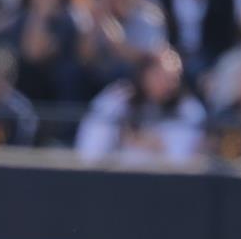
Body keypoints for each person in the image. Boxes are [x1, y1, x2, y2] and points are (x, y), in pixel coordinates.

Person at [74, 45, 205, 166]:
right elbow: (90, 149)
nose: (167, 84)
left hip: (168, 182)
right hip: (118, 178)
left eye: (173, 78)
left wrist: (158, 141)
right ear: (144, 74)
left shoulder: (187, 106)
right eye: (159, 76)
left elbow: (186, 156)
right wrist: (121, 136)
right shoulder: (118, 98)